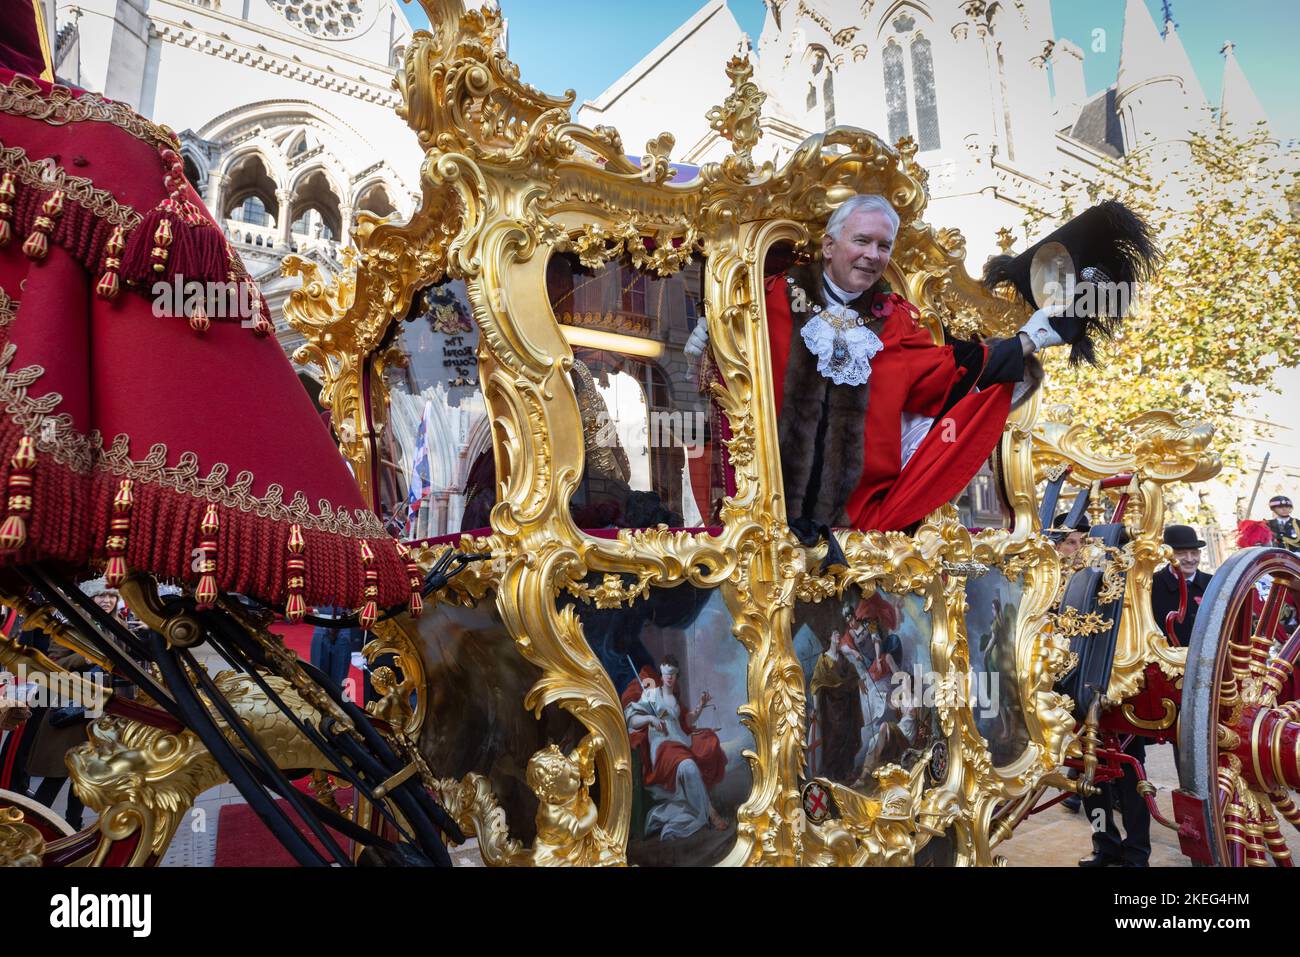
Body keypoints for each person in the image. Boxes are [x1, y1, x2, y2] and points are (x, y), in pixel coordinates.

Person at [622, 656, 727, 841]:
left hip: (680, 741)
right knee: (688, 766)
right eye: (665, 674)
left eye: (672, 674)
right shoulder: (652, 696)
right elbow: (631, 718)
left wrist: (701, 706)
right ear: (661, 675)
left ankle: (704, 810)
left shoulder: (675, 700)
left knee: (702, 749)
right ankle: (711, 813)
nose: (668, 678)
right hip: (662, 746)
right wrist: (650, 719)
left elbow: (687, 720)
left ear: (676, 676)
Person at [810, 631, 865, 783]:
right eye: (834, 633)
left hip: (847, 706)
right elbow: (816, 684)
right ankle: (832, 775)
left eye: (839, 634)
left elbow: (853, 675)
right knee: (834, 739)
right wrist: (815, 708)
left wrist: (859, 681)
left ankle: (846, 773)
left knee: (849, 737)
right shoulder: (823, 660)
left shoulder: (843, 658)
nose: (838, 635)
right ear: (829, 637)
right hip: (831, 708)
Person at [1150, 525, 1213, 647]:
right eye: (1181, 553)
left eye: (1194, 553)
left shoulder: (1213, 583)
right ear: (1168, 555)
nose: (1190, 559)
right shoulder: (1152, 585)